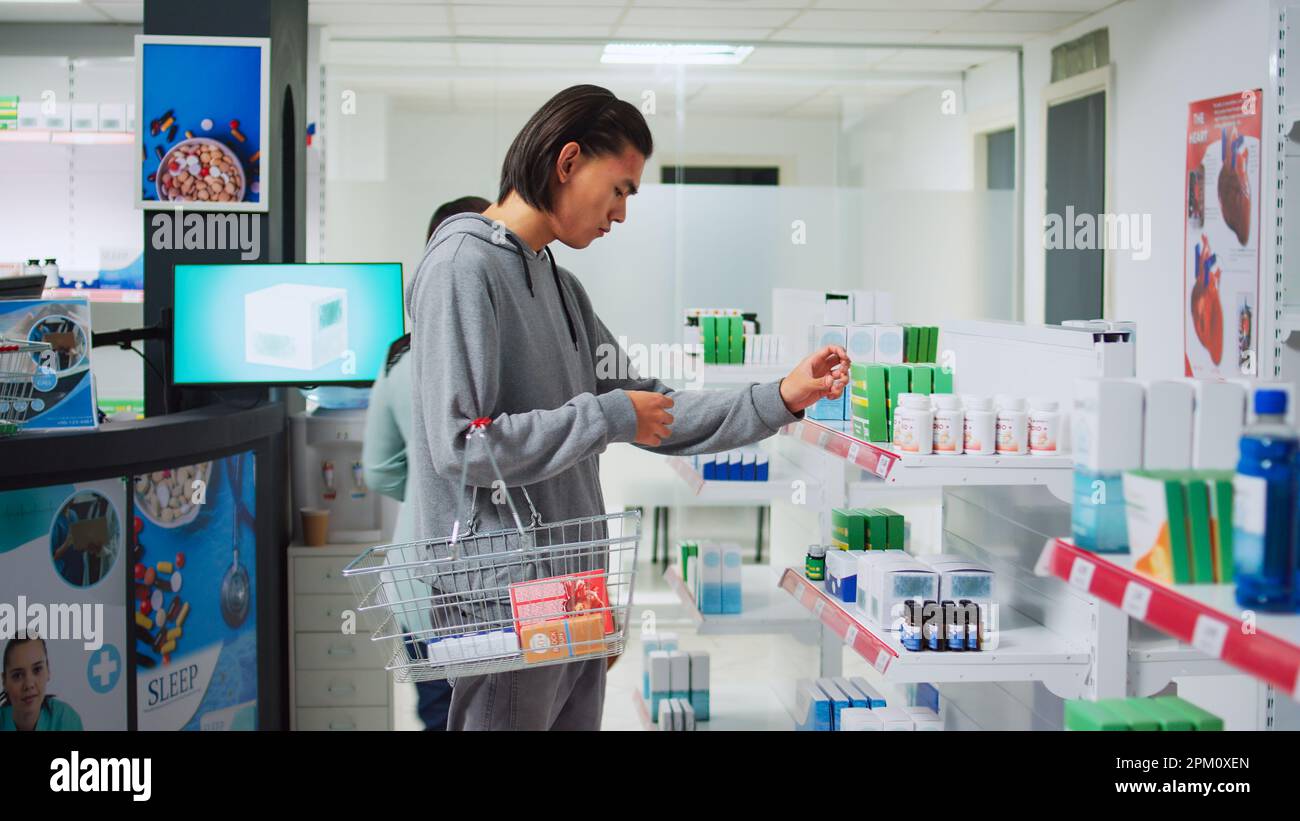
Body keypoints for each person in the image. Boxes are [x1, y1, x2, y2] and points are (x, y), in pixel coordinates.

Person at [407, 84, 849, 731]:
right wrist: (611, 415)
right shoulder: (460, 267)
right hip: (505, 600)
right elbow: (463, 443)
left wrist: (780, 396)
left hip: (575, 590)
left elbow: (653, 409)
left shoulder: (562, 288)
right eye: (619, 189)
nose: (620, 214)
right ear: (567, 162)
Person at [364, 195, 490, 731]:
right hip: (486, 585)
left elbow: (377, 469)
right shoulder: (488, 358)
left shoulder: (400, 359)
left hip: (416, 579)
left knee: (439, 715)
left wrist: (426, 493)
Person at [1, 637, 84, 731]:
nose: (29, 685)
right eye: (17, 675)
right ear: (4, 681)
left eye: (37, 670)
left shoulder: (66, 720)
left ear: (48, 670)